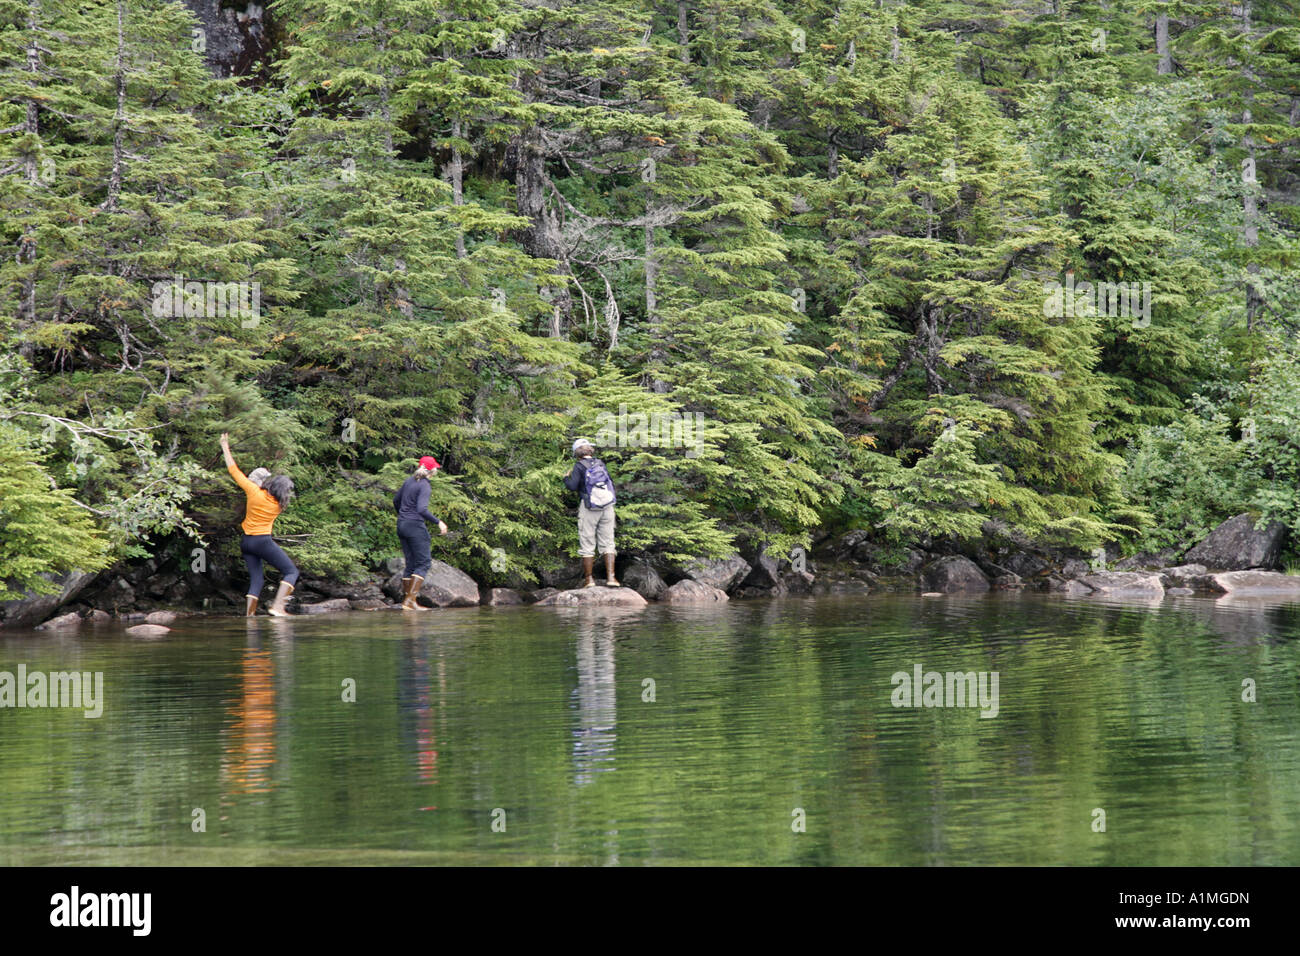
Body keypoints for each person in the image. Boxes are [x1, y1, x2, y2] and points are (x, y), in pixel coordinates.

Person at [220, 432, 298, 617]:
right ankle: (278, 608)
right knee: (291, 572)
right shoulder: (279, 506)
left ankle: (250, 616)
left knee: (257, 579)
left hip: (246, 542)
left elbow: (234, 470)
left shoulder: (253, 491)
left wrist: (225, 446)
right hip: (262, 541)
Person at [393, 456, 449, 610]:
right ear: (431, 470)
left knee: (410, 563)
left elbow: (395, 501)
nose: (437, 469)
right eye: (436, 467)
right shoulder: (425, 485)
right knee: (424, 563)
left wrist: (403, 516)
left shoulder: (409, 481)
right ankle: (410, 601)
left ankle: (407, 601)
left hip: (402, 525)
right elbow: (422, 509)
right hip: (415, 526)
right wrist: (439, 522)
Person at [563, 438, 619, 588]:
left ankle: (589, 580)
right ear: (590, 450)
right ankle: (612, 578)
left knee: (587, 543)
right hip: (607, 506)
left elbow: (573, 486)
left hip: (589, 507)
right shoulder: (600, 463)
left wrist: (565, 478)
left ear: (577, 453)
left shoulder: (579, 466)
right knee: (608, 542)